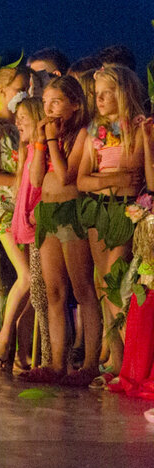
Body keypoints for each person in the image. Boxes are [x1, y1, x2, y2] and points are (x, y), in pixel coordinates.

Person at [21, 76, 94, 384]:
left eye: (55, 102)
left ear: (74, 105)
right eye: (45, 101)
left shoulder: (80, 134)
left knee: (82, 289)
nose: (47, 108)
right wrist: (40, 144)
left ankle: (90, 363)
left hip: (70, 211)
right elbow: (37, 179)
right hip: (47, 212)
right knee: (53, 292)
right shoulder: (49, 136)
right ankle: (55, 362)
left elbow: (66, 177)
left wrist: (52, 141)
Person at [76, 65, 145, 380]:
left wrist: (111, 181)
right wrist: (111, 178)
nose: (100, 99)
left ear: (125, 93)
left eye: (108, 93)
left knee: (118, 287)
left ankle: (133, 363)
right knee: (104, 289)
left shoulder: (138, 129)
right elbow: (82, 180)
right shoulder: (95, 132)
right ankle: (117, 363)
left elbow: (138, 179)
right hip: (97, 211)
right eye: (98, 94)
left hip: (125, 211)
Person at [0, 61, 33, 373]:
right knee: (25, 276)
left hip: (26, 207)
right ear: (1, 91)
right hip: (4, 209)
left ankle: (21, 353)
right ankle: (1, 341)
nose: (24, 93)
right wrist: (21, 182)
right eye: (18, 89)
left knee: (31, 281)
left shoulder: (23, 125)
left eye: (27, 88)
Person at [10, 96, 49, 370]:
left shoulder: (40, 149)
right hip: (27, 229)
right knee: (37, 294)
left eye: (24, 118)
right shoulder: (28, 151)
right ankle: (30, 355)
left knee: (42, 296)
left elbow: (37, 181)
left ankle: (48, 357)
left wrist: (37, 145)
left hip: (39, 230)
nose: (17, 123)